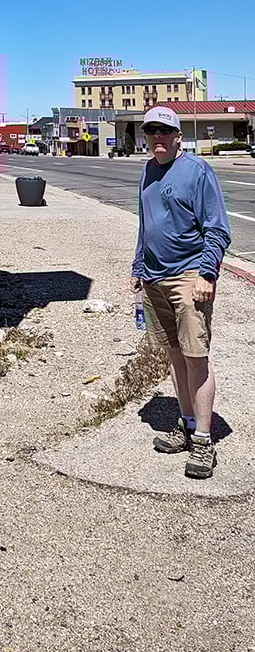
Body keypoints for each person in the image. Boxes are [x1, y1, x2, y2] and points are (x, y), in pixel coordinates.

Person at [131, 105, 230, 479]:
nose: (157, 137)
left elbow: (217, 228)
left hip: (190, 277)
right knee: (174, 355)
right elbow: (146, 224)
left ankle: (204, 441)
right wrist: (139, 267)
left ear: (178, 137)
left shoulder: (197, 171)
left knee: (195, 357)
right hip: (155, 278)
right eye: (151, 131)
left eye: (164, 131)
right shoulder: (148, 171)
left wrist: (207, 274)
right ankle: (186, 424)